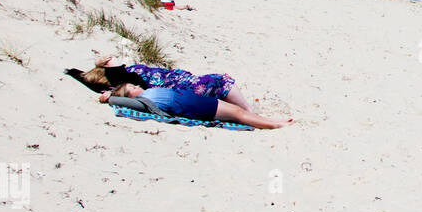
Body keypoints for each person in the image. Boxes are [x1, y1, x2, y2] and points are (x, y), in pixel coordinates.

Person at [65, 56, 254, 110]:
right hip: (173, 86)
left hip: (174, 80)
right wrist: (106, 65)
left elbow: (78, 74)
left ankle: (242, 108)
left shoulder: (120, 77)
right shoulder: (120, 77)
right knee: (221, 81)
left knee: (215, 82)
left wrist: (77, 72)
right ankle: (247, 110)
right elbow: (114, 66)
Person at [100, 83, 292, 130]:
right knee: (237, 114)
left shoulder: (146, 93)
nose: (136, 86)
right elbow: (119, 101)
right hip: (193, 108)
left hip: (195, 100)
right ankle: (274, 124)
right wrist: (109, 96)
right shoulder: (143, 102)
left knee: (238, 112)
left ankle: (271, 121)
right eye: (132, 88)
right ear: (129, 97)